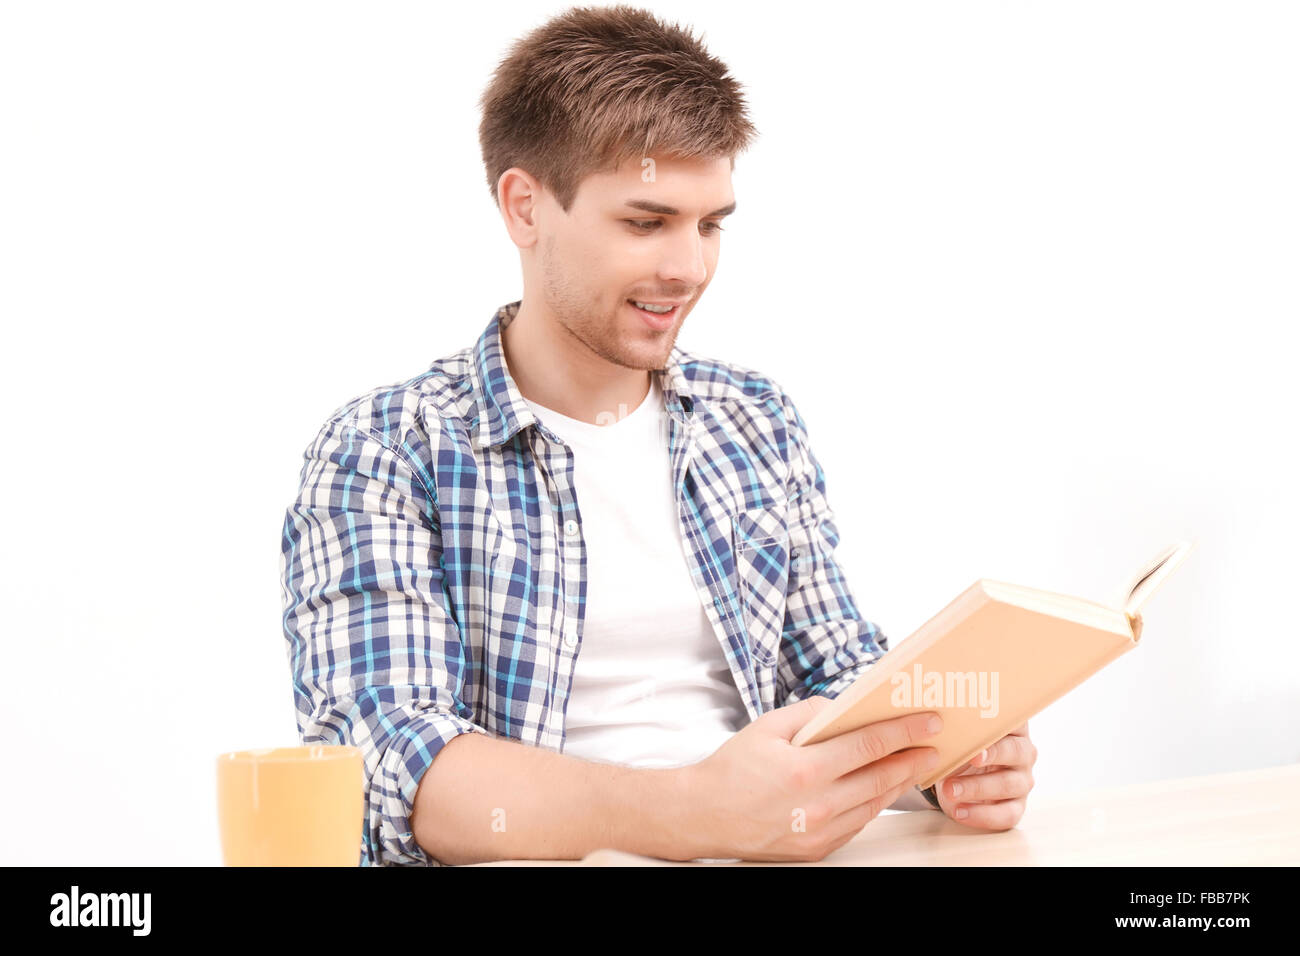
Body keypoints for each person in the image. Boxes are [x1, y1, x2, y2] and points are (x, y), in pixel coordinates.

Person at [279, 4, 1036, 867]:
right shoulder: (384, 450)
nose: (690, 267)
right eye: (647, 223)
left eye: (710, 223)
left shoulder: (751, 419)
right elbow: (391, 769)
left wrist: (937, 760)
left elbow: (835, 680)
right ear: (525, 206)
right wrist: (694, 813)